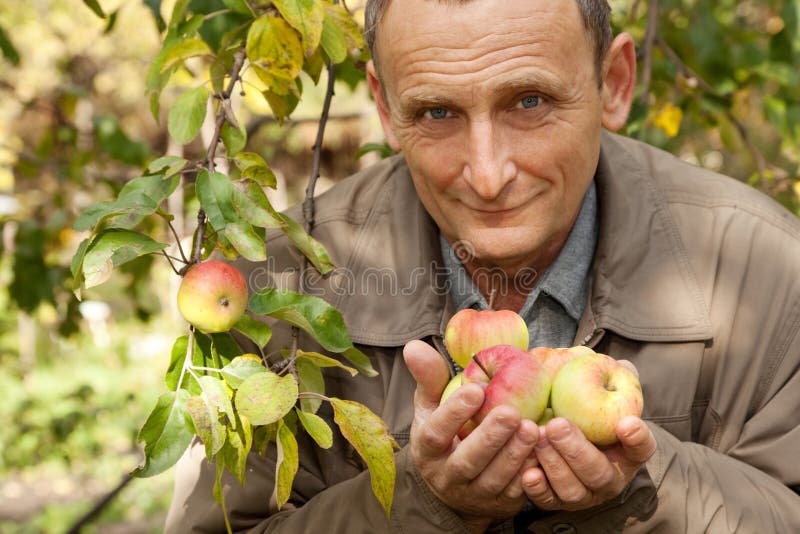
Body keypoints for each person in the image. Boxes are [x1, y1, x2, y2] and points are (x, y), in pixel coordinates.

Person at [165, 0, 800, 532]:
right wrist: (421, 501)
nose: (489, 174)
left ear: (615, 84)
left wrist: (642, 486)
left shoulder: (768, 270)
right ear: (386, 109)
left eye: (529, 102)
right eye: (437, 113)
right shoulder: (277, 291)